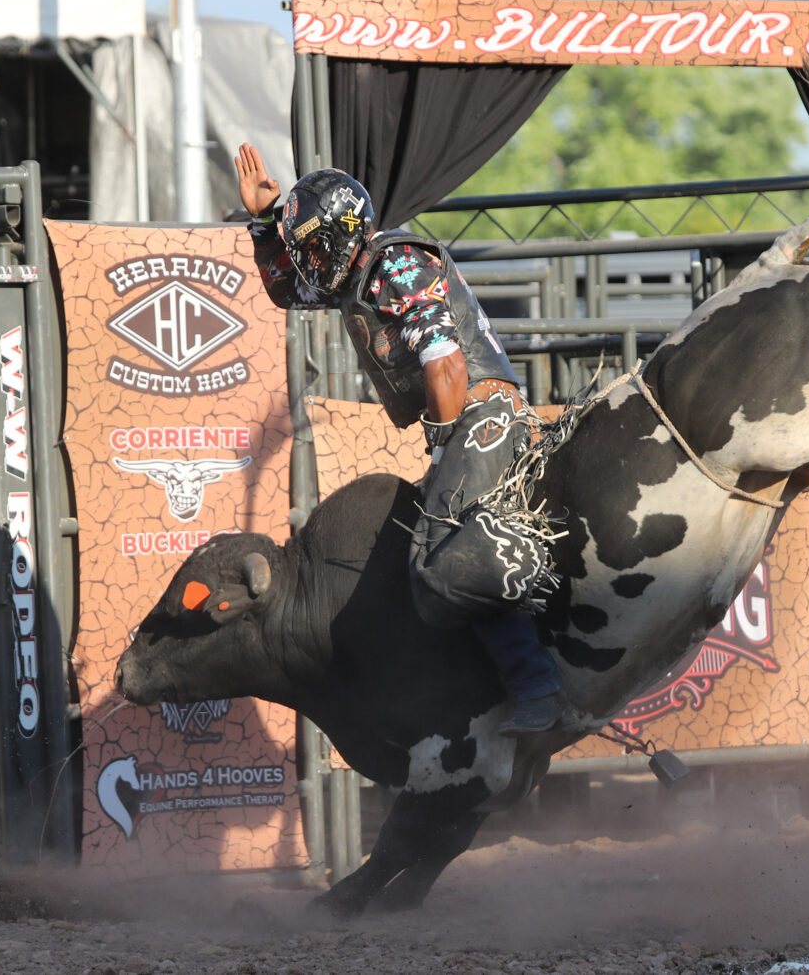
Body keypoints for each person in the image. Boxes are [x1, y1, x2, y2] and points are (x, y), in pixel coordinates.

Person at [234, 143, 577, 737]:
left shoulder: (393, 262)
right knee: (425, 558)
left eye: (313, 246)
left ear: (341, 234)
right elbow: (288, 292)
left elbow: (445, 362)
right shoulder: (353, 274)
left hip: (480, 413)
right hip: (463, 419)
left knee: (446, 550)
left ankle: (538, 688)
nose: (309, 261)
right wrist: (266, 223)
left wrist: (443, 443)